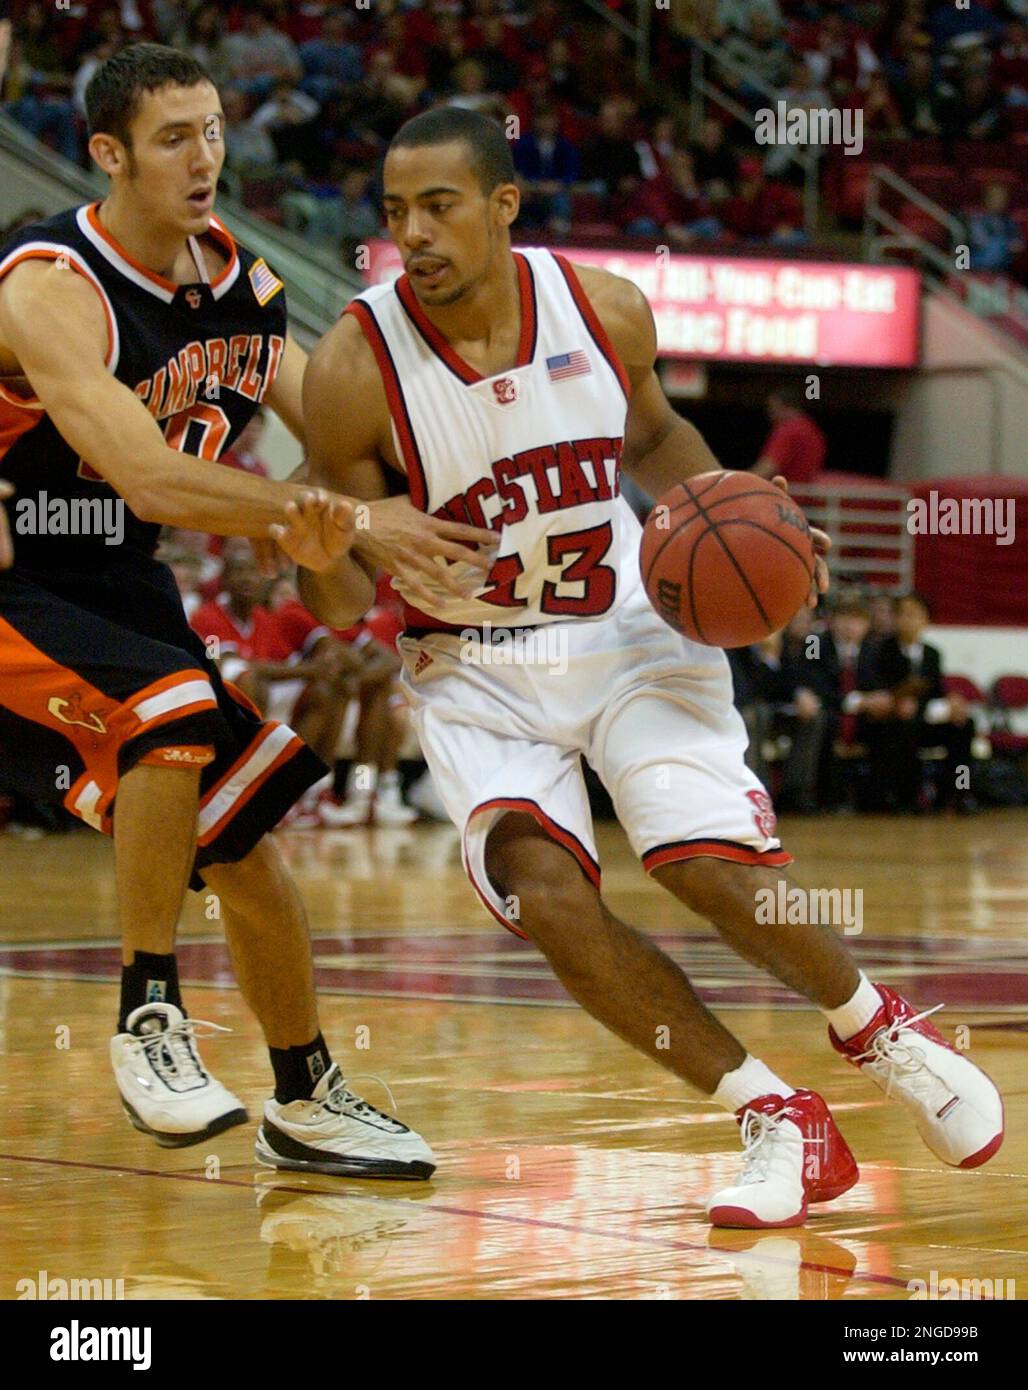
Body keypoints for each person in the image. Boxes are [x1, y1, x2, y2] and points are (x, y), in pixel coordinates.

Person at [299, 106, 1004, 1229]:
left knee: (697, 859)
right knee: (545, 898)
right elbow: (337, 603)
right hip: (474, 667)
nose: (413, 233)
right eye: (395, 212)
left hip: (627, 629)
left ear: (502, 205)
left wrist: (753, 518)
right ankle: (775, 1116)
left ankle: (878, 1030)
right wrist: (325, 547)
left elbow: (655, 436)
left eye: (438, 206)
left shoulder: (603, 308)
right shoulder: (351, 367)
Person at [0, 46, 495, 1177]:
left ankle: (307, 1095)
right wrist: (347, 517)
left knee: (243, 840)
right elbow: (149, 479)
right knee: (171, 711)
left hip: (119, 583)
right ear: (109, 153)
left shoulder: (245, 289)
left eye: (214, 130)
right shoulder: (48, 284)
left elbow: (346, 439)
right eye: (173, 137)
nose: (205, 156)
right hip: (16, 573)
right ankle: (149, 1017)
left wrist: (402, 507)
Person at [752, 387, 826, 484]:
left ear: (781, 406)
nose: (769, 414)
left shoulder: (788, 431)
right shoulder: (812, 429)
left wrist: (739, 481)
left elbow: (766, 469)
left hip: (786, 490)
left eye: (771, 409)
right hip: (806, 490)